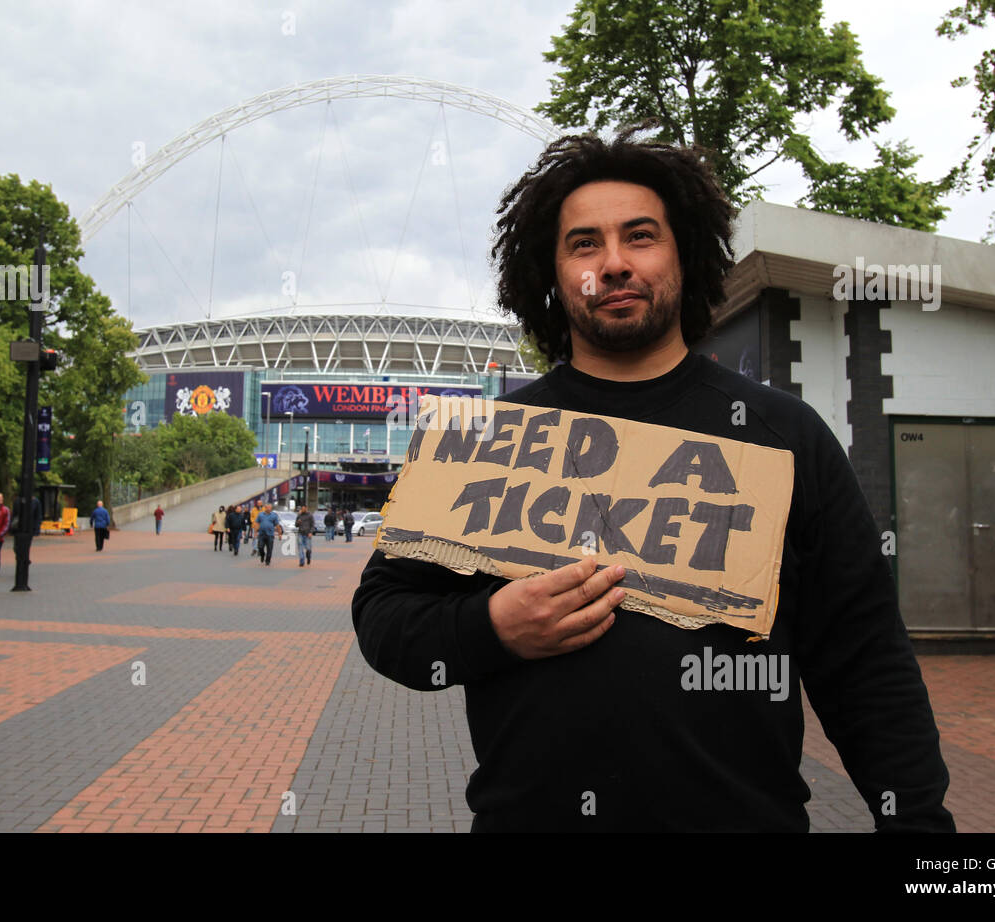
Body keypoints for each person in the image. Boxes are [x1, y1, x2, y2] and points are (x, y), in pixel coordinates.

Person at [351, 124, 954, 833]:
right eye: (584, 244)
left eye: (640, 236)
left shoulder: (786, 437)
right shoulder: (487, 443)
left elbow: (865, 663)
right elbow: (383, 617)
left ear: (683, 254)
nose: (613, 263)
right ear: (550, 273)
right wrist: (491, 627)